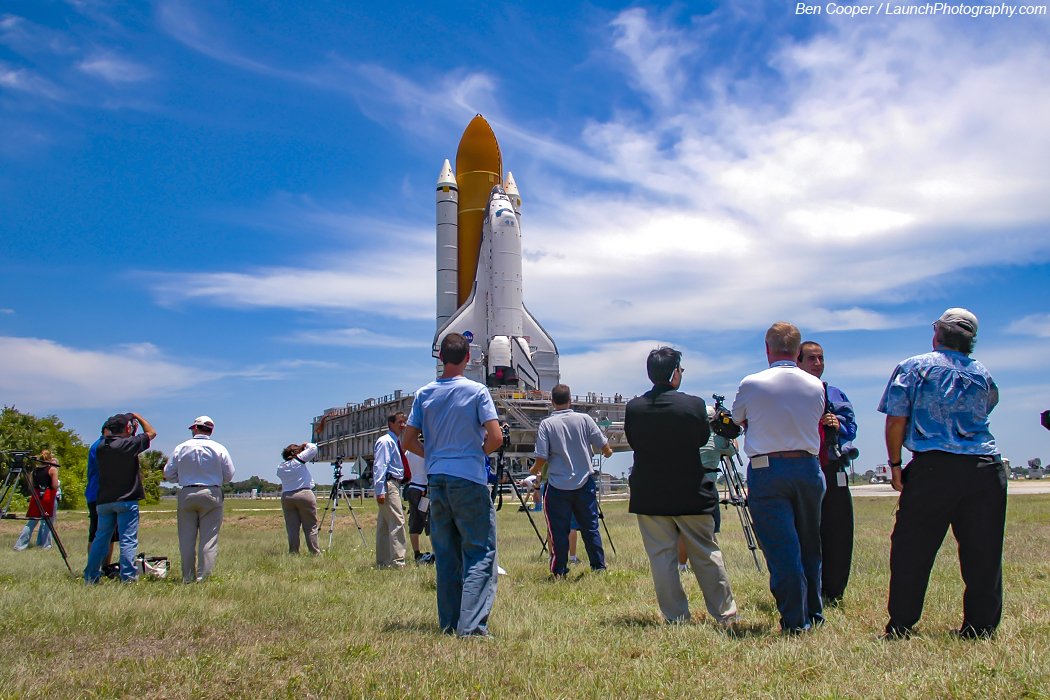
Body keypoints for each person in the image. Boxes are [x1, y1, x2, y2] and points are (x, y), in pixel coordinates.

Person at [878, 308, 1005, 639]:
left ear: (937, 332)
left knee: (912, 549)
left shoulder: (914, 367)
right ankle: (981, 626)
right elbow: (987, 406)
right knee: (984, 550)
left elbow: (896, 419)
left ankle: (902, 624)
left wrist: (895, 465)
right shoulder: (983, 374)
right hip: (985, 467)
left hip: (934, 466)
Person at [625, 347, 738, 626]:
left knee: (662, 557)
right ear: (675, 372)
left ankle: (676, 616)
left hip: (649, 491)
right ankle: (724, 614)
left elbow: (633, 440)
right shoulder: (694, 405)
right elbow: (701, 438)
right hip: (690, 488)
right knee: (706, 553)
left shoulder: (634, 407)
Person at [402, 332, 503, 638]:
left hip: (437, 480)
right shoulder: (477, 391)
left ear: (441, 357)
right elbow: (496, 437)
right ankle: (471, 628)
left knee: (446, 555)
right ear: (468, 358)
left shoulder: (424, 394)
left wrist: (433, 455)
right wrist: (475, 454)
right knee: (480, 551)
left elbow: (407, 441)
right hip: (468, 479)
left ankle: (449, 623)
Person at [731, 322, 825, 633]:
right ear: (798, 352)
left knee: (782, 548)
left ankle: (795, 619)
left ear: (767, 349)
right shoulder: (815, 385)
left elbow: (735, 420)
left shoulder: (752, 383)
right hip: (809, 468)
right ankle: (815, 611)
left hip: (767, 469)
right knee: (810, 543)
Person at [797, 341, 858, 605]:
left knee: (838, 530)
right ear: (798, 362)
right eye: (811, 359)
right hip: (804, 468)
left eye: (821, 358)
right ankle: (808, 588)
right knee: (806, 531)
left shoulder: (834, 394)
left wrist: (837, 425)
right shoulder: (791, 395)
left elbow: (852, 427)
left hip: (832, 468)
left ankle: (834, 591)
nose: (817, 363)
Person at [532, 383, 612, 577]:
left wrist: (534, 470)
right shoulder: (584, 419)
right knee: (590, 527)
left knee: (558, 530)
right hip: (584, 482)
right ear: (571, 400)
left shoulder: (547, 424)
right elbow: (604, 447)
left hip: (558, 485)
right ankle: (598, 567)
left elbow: (541, 456)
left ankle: (559, 570)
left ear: (552, 402)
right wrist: (607, 453)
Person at [84, 412, 156, 583]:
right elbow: (151, 433)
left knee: (100, 539)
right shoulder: (127, 445)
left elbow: (112, 436)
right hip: (126, 499)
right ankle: (128, 577)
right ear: (128, 428)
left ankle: (91, 575)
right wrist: (137, 417)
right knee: (128, 540)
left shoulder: (100, 446)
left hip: (104, 501)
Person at [163, 416, 236, 583]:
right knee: (208, 539)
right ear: (211, 430)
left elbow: (168, 473)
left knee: (186, 539)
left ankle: (187, 577)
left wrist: (179, 478)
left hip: (187, 491)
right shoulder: (219, 448)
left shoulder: (181, 447)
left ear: (195, 428)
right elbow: (229, 475)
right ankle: (203, 577)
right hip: (211, 492)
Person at [373, 412, 410, 568]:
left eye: (404, 422)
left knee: (384, 525)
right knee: (397, 522)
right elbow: (380, 466)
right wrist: (380, 490)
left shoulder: (395, 442)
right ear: (391, 423)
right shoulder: (386, 442)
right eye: (400, 422)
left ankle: (383, 560)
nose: (403, 425)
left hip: (392, 484)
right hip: (389, 485)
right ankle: (398, 561)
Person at [277, 442, 321, 554]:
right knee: (310, 526)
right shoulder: (298, 461)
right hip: (304, 494)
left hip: (287, 496)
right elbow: (313, 448)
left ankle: (293, 552)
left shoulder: (281, 467)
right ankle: (314, 552)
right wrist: (305, 445)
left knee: (292, 527)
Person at [85, 427, 119, 566]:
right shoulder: (102, 446)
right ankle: (95, 566)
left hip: (99, 494)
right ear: (106, 430)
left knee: (109, 535)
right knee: (97, 534)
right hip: (100, 495)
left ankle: (104, 567)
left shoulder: (99, 445)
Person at [13, 449, 59, 551]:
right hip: (48, 496)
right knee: (48, 522)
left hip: (36, 496)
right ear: (49, 459)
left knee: (31, 522)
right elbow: (55, 485)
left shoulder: (34, 470)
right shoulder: (52, 470)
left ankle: (20, 545)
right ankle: (46, 546)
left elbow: (31, 485)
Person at [403, 444, 434, 564]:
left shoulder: (409, 452)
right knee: (430, 521)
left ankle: (417, 553)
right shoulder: (427, 449)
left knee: (414, 521)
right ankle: (436, 553)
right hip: (423, 489)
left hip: (412, 487)